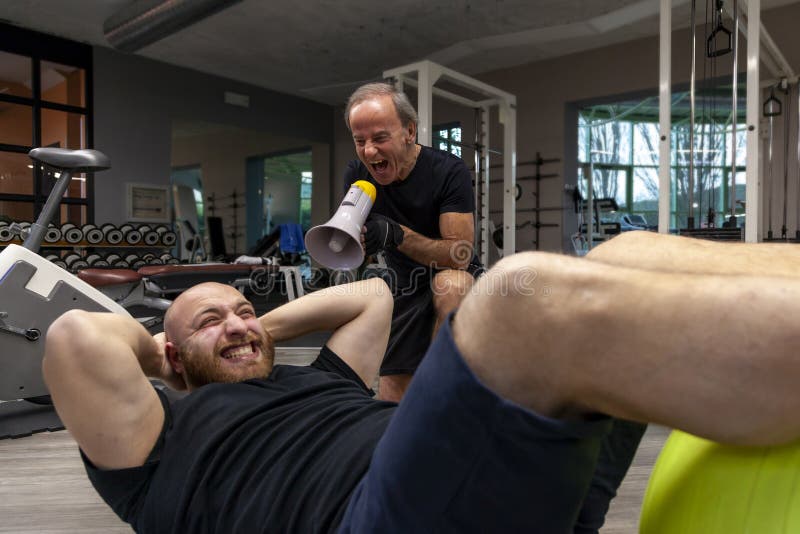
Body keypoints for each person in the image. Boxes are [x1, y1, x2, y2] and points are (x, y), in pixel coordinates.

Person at [44, 232, 800, 533]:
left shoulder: (324, 379)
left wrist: (251, 329)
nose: (239, 324)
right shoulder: (156, 445)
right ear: (170, 359)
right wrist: (168, 351)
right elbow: (77, 336)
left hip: (463, 488)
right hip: (361, 520)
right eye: (213, 322)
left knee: (624, 251)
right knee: (517, 299)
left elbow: (370, 294)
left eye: (244, 309)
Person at [343, 82, 481, 402]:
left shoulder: (448, 170)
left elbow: (459, 254)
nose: (369, 151)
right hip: (403, 283)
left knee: (451, 286)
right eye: (359, 141)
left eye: (379, 138)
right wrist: (358, 245)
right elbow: (355, 257)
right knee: (391, 401)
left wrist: (396, 234)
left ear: (409, 131)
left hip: (450, 273)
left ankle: (446, 390)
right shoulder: (357, 173)